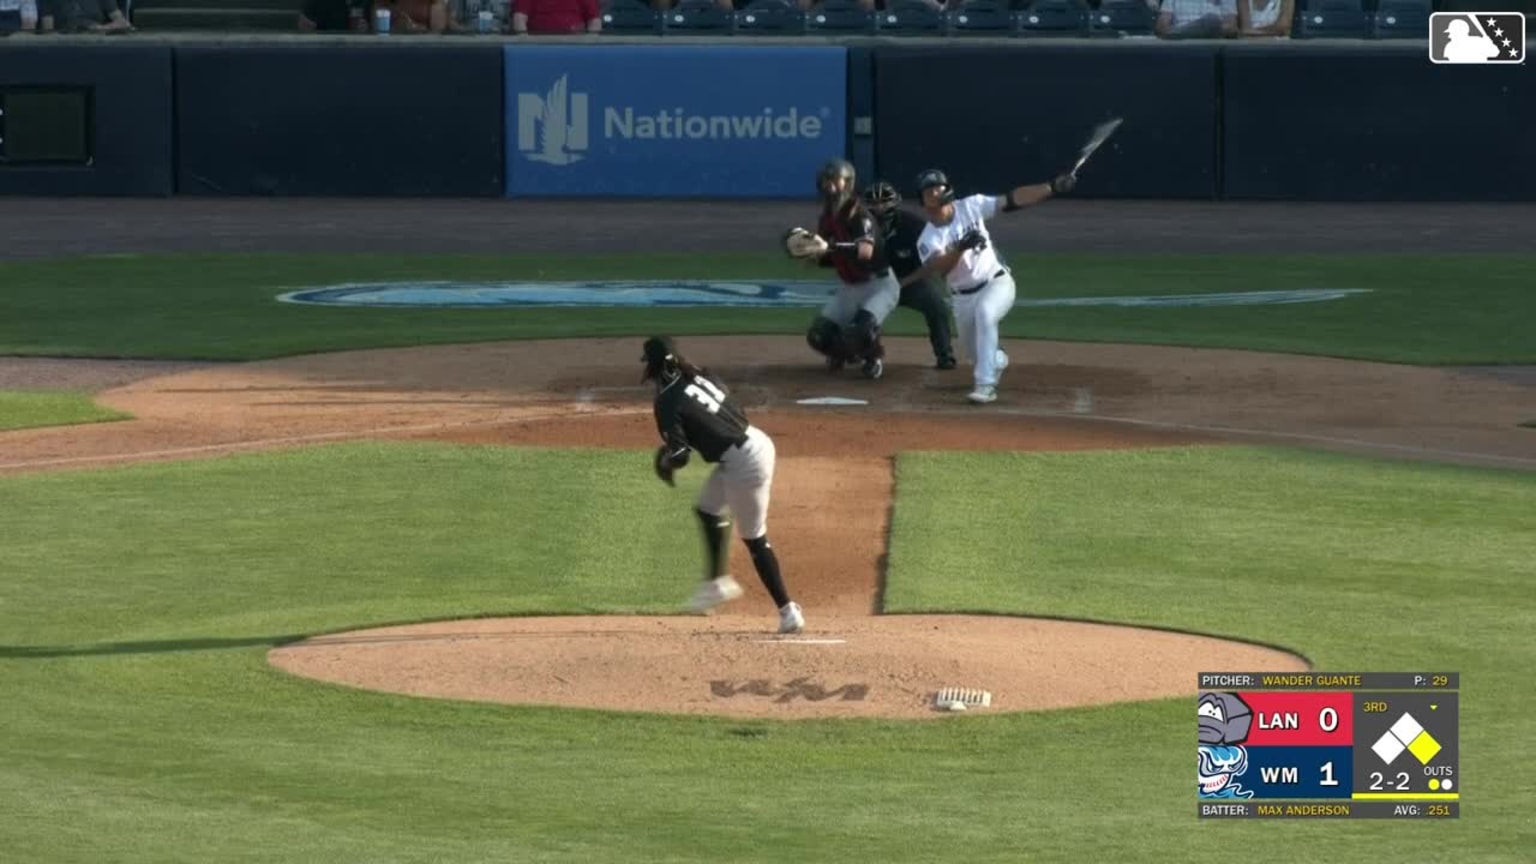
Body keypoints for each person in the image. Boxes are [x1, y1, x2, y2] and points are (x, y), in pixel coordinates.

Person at [642, 336, 804, 635]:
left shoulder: (666, 400)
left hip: (745, 462)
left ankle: (787, 610)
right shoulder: (701, 375)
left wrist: (664, 460)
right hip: (752, 442)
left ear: (651, 366)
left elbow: (680, 456)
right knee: (707, 509)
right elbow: (722, 402)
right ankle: (716, 584)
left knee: (755, 537)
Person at [912, 167, 1075, 404]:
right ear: (923, 200)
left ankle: (985, 386)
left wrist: (1051, 187)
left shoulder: (971, 206)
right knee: (978, 356)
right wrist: (960, 248)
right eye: (929, 191)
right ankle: (996, 360)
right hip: (962, 298)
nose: (935, 193)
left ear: (948, 189)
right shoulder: (927, 238)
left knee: (986, 313)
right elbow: (942, 269)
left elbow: (1011, 200)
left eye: (939, 187)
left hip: (996, 282)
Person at [803, 158, 901, 380]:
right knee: (818, 336)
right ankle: (844, 353)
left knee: (861, 329)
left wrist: (830, 247)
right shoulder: (827, 218)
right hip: (849, 287)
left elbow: (864, 252)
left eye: (833, 180)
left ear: (847, 183)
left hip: (879, 285)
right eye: (826, 180)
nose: (828, 185)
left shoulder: (860, 215)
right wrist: (813, 255)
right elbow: (827, 255)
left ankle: (873, 358)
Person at [861, 180, 958, 370]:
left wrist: (903, 282)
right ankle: (867, 357)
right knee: (860, 316)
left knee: (936, 306)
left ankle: (945, 354)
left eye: (884, 202)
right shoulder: (860, 227)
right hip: (877, 284)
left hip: (911, 281)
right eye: (874, 203)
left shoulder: (913, 226)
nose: (879, 207)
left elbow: (930, 264)